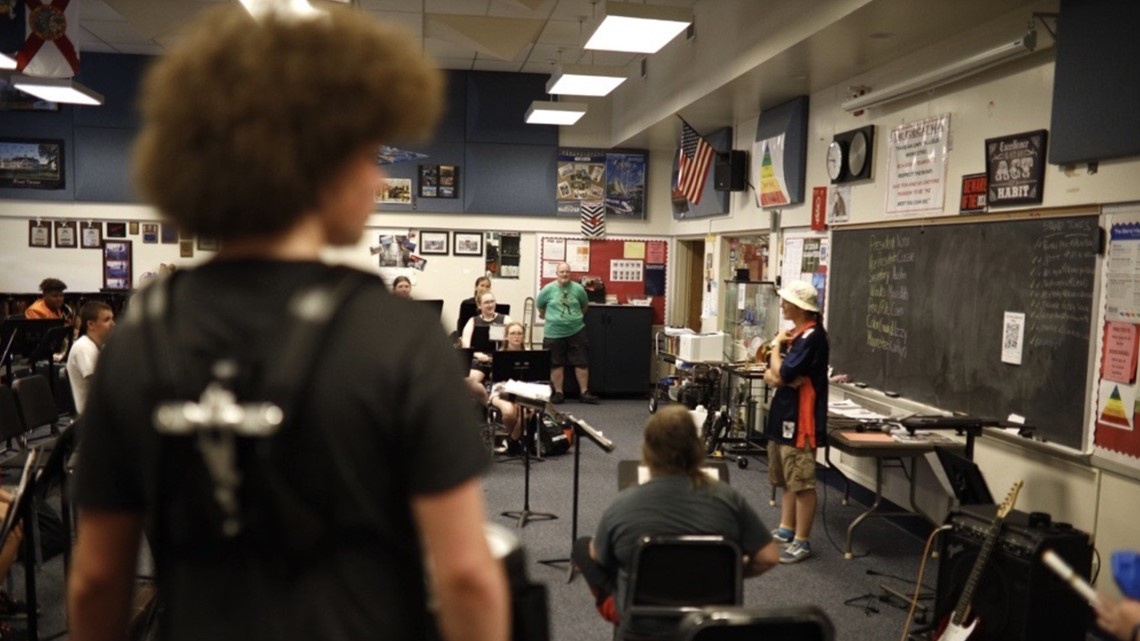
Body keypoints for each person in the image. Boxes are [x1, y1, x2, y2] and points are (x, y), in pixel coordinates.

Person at [67, 6, 508, 641]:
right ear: (324, 164)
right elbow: (466, 576)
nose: (379, 178)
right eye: (369, 154)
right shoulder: (401, 337)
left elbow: (96, 580)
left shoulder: (141, 335)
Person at [572, 405, 779, 639]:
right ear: (696, 448)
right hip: (709, 627)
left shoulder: (622, 505)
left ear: (648, 450)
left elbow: (598, 557)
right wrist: (729, 571)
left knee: (584, 547)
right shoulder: (729, 499)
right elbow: (769, 557)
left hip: (641, 630)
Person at [762, 280, 829, 564]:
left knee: (801, 481)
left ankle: (802, 540)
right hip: (784, 414)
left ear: (800, 307)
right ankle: (787, 528)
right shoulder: (797, 336)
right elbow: (772, 373)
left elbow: (782, 373)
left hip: (801, 420)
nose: (782, 305)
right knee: (787, 477)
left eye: (786, 302)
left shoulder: (811, 337)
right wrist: (776, 374)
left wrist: (776, 347)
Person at [535, 262, 597, 404]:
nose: (564, 274)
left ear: (570, 273)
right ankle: (559, 393)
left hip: (576, 330)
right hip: (553, 332)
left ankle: (584, 392)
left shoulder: (578, 289)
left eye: (567, 271)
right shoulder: (547, 289)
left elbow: (584, 306)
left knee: (581, 362)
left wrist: (573, 319)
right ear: (556, 273)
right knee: (555, 363)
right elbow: (540, 307)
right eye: (562, 272)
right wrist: (552, 318)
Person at [66, 301, 115, 414]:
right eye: (107, 320)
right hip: (92, 416)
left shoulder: (102, 346)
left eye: (112, 318)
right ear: (91, 324)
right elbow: (102, 386)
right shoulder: (83, 347)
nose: (113, 324)